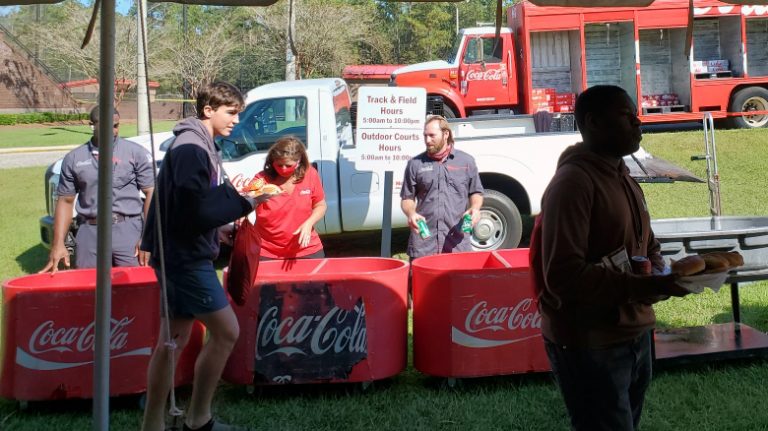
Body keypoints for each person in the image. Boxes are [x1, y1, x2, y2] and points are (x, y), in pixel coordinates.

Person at [532, 85, 692, 431]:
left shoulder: (625, 177)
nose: (638, 123)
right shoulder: (572, 184)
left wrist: (663, 272)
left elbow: (646, 246)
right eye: (626, 116)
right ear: (593, 122)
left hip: (634, 333)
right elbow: (562, 275)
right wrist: (642, 286)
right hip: (589, 342)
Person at [140, 82, 268, 431]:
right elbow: (193, 211)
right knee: (226, 332)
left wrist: (218, 230)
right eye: (231, 112)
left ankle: (154, 425)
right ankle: (198, 420)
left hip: (182, 254)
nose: (236, 120)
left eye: (238, 112)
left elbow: (186, 208)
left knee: (172, 341)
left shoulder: (199, 144)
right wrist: (247, 203)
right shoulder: (191, 149)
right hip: (184, 260)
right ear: (208, 110)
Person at [39, 106, 154, 273]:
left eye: (116, 126)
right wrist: (58, 244)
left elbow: (151, 192)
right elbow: (65, 200)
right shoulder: (74, 159)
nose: (113, 131)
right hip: (90, 232)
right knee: (90, 290)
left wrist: (147, 238)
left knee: (133, 289)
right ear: (92, 125)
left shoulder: (135, 153)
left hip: (128, 230)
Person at [400, 114, 483, 259]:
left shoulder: (466, 161)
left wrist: (474, 208)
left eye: (432, 135)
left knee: (456, 282)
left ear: (446, 134)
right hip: (424, 244)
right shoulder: (415, 164)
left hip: (456, 244)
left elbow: (476, 191)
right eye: (425, 136)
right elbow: (407, 198)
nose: (427, 140)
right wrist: (411, 213)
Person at [248, 136, 327, 260]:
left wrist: (308, 223)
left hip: (306, 248)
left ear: (299, 161)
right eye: (279, 165)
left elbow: (320, 205)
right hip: (267, 251)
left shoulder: (310, 174)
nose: (283, 169)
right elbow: (245, 202)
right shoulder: (261, 180)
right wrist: (249, 200)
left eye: (288, 165)